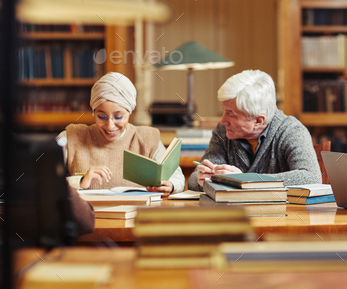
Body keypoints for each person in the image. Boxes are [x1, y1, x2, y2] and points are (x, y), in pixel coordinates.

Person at [188, 70, 321, 191]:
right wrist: (202, 179)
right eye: (224, 110)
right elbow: (194, 179)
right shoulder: (224, 131)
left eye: (231, 113)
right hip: (236, 214)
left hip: (281, 215)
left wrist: (246, 180)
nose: (223, 121)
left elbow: (311, 177)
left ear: (258, 121)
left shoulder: (291, 131)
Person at [60, 72, 185, 196]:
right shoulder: (71, 137)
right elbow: (44, 180)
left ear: (129, 112)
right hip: (89, 215)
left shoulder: (147, 138)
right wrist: (80, 182)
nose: (110, 126)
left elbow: (177, 177)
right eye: (101, 116)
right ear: (93, 112)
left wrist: (171, 185)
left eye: (118, 117)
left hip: (136, 214)